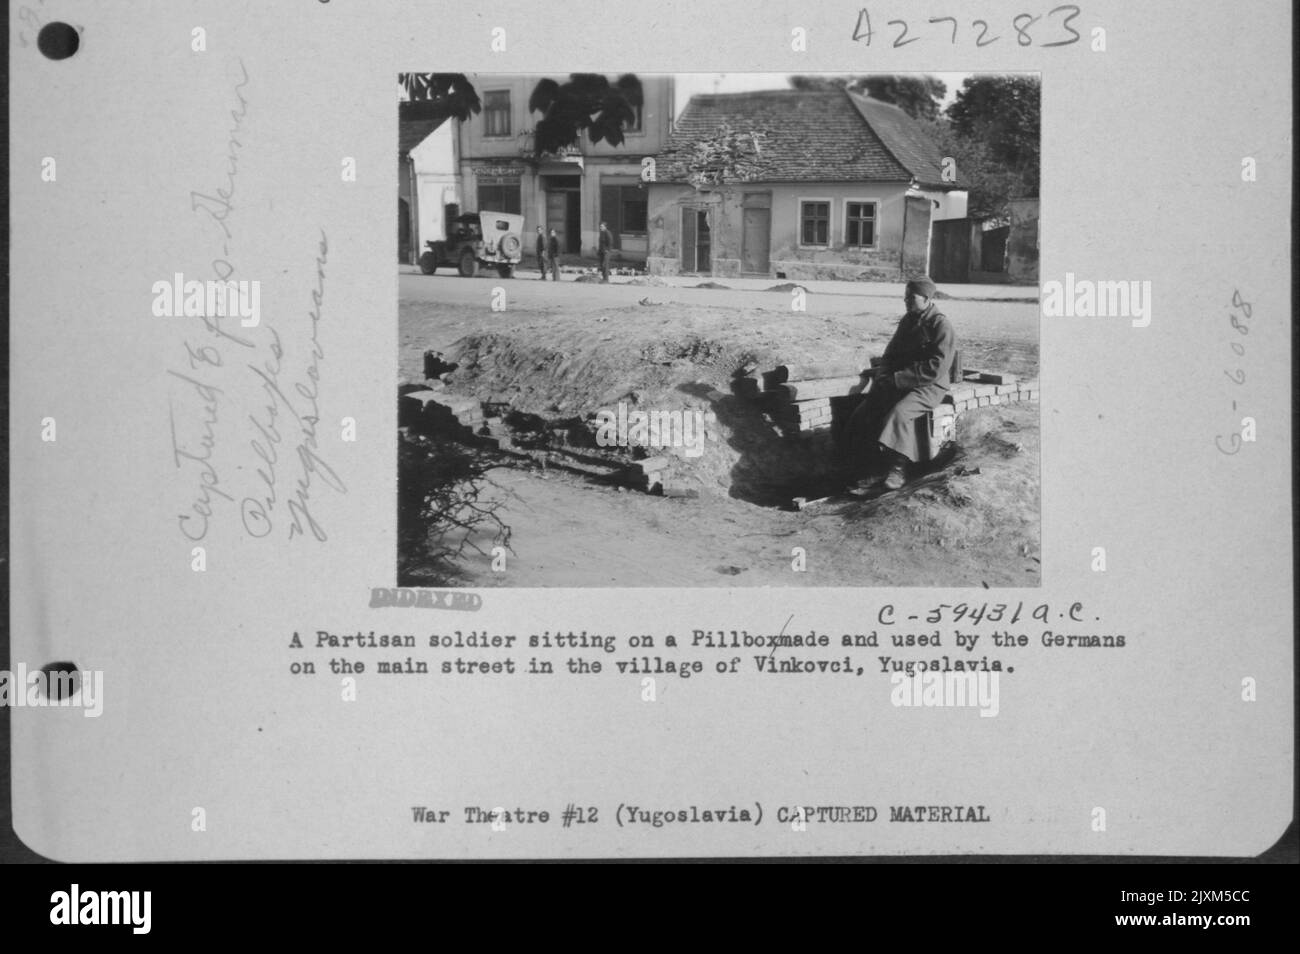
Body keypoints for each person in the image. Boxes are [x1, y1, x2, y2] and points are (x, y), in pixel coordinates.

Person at [842, 277, 956, 494]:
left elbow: (936, 367)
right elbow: (890, 354)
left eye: (911, 297)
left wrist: (898, 379)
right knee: (867, 411)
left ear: (926, 299)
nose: (906, 301)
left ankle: (898, 470)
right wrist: (885, 375)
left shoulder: (941, 325)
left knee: (900, 413)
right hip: (903, 380)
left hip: (930, 386)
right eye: (905, 296)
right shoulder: (908, 321)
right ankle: (873, 468)